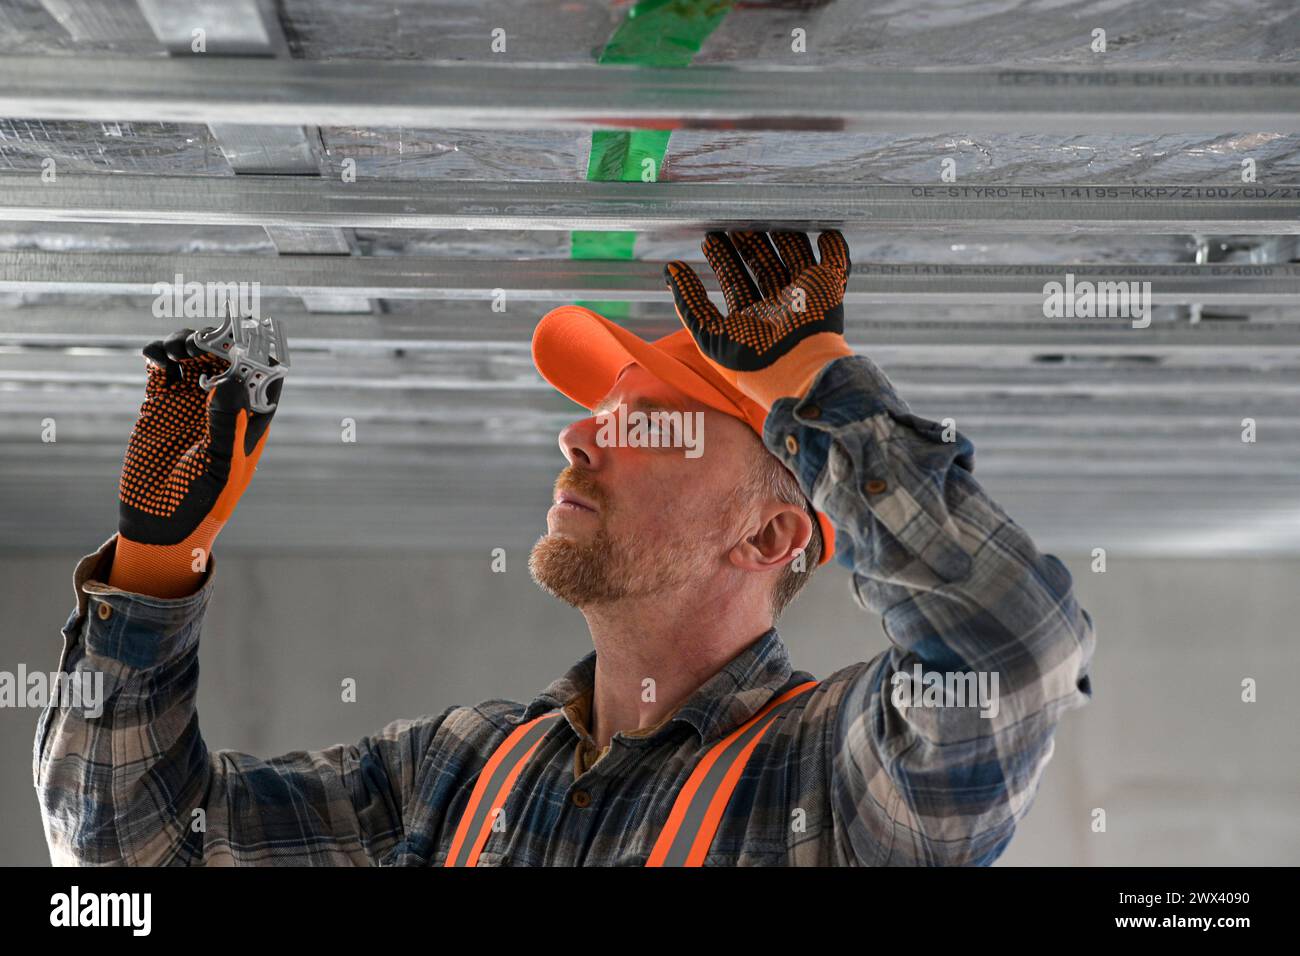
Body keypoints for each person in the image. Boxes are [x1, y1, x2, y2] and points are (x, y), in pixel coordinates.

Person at [33, 230, 1094, 866]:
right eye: (598, 412)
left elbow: (1013, 652)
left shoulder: (832, 780)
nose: (579, 432)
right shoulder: (456, 774)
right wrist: (155, 563)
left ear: (769, 530)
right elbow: (132, 856)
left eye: (647, 423)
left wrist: (818, 388)